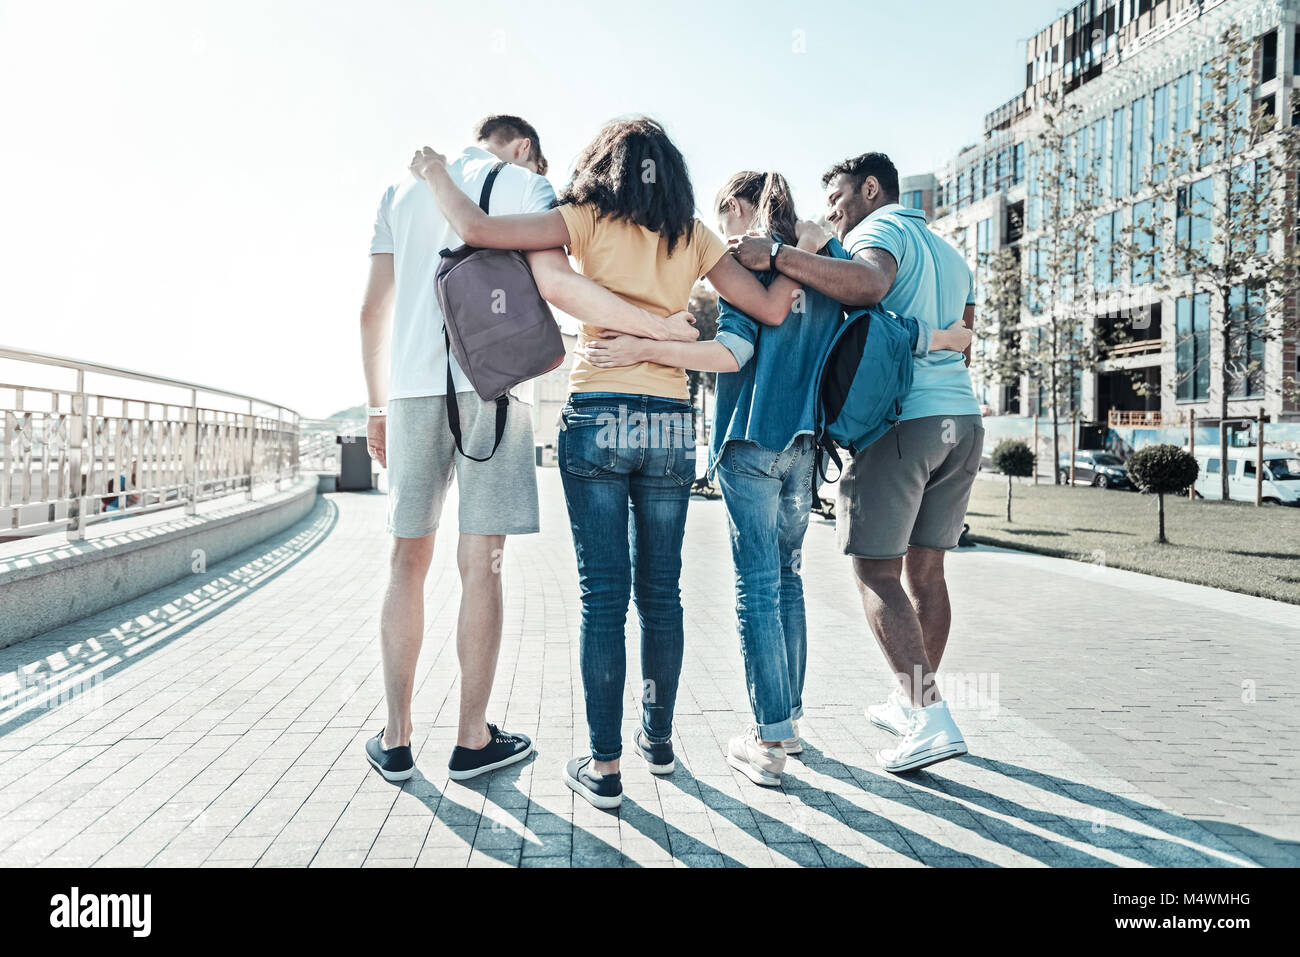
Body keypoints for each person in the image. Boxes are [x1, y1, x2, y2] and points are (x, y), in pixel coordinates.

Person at [410, 117, 814, 808]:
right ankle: (657, 740)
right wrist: (793, 259)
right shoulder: (692, 234)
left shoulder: (583, 217)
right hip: (665, 422)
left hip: (598, 415)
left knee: (604, 598)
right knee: (662, 593)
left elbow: (475, 230)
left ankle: (604, 767)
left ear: (602, 165)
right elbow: (774, 310)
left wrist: (435, 171)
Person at [585, 172, 971, 787]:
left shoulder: (753, 261)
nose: (723, 233)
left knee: (757, 587)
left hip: (750, 440)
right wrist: (945, 337)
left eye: (724, 214)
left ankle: (767, 739)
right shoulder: (827, 258)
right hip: (804, 449)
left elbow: (733, 354)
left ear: (739, 206)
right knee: (787, 582)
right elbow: (877, 323)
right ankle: (788, 721)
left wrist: (644, 349)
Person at [359, 115, 697, 784]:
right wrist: (658, 328)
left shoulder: (399, 192)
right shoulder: (525, 185)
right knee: (480, 564)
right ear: (522, 146)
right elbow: (558, 285)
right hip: (494, 388)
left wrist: (376, 405)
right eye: (539, 160)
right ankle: (471, 738)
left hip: (411, 391)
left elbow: (373, 309)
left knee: (407, 558)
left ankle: (396, 740)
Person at [731, 152, 983, 774]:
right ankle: (914, 702)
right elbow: (966, 337)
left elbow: (868, 285)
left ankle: (928, 716)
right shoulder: (951, 255)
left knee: (876, 573)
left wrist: (781, 257)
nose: (835, 212)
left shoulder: (880, 229)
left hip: (903, 425)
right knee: (927, 573)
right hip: (962, 422)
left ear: (872, 189)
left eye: (840, 197)